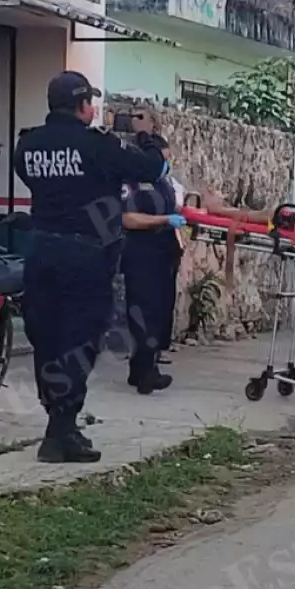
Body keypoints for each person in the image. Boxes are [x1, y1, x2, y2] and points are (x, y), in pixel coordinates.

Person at [13, 71, 168, 463]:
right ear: (83, 105)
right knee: (80, 340)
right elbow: (151, 169)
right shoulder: (96, 145)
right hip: (84, 257)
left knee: (47, 340)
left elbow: (30, 177)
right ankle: (62, 429)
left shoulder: (28, 144)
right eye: (91, 102)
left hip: (40, 251)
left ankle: (57, 425)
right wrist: (147, 136)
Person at [120, 108, 185, 395]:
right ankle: (147, 374)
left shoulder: (163, 183)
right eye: (163, 158)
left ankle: (141, 368)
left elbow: (175, 207)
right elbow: (128, 219)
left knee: (159, 313)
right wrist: (164, 220)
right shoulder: (132, 182)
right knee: (144, 314)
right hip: (141, 253)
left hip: (164, 253)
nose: (167, 163)